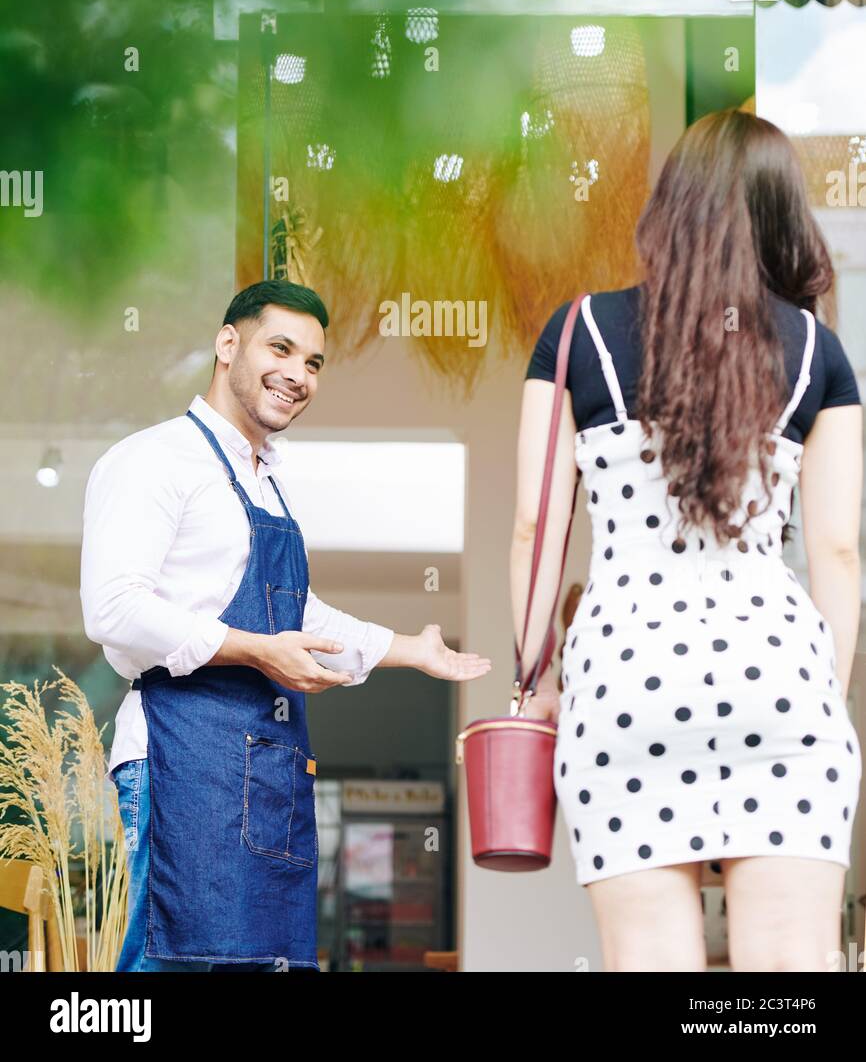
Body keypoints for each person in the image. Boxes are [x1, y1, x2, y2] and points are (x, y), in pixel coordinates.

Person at [511, 108, 862, 973]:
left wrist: (536, 679)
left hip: (625, 679)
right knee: (787, 986)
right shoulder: (817, 352)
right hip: (778, 677)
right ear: (784, 218)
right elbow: (841, 554)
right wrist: (827, 698)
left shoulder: (579, 334)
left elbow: (534, 529)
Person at [81, 279, 490, 972]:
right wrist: (259, 652)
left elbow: (295, 614)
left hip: (267, 777)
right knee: (169, 965)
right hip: (181, 763)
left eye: (314, 362)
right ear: (227, 343)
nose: (298, 375)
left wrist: (407, 649)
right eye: (281, 348)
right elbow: (114, 608)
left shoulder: (269, 481)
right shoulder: (155, 460)